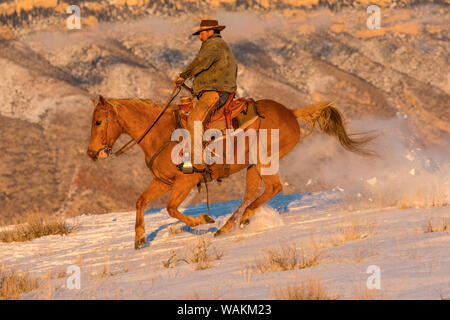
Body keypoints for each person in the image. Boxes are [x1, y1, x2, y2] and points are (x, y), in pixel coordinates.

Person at [174, 19, 237, 172]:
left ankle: (198, 162)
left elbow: (202, 61)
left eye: (202, 33)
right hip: (217, 89)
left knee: (194, 119)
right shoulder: (218, 45)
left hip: (215, 91)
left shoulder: (213, 45)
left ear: (211, 32)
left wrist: (184, 75)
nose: (200, 36)